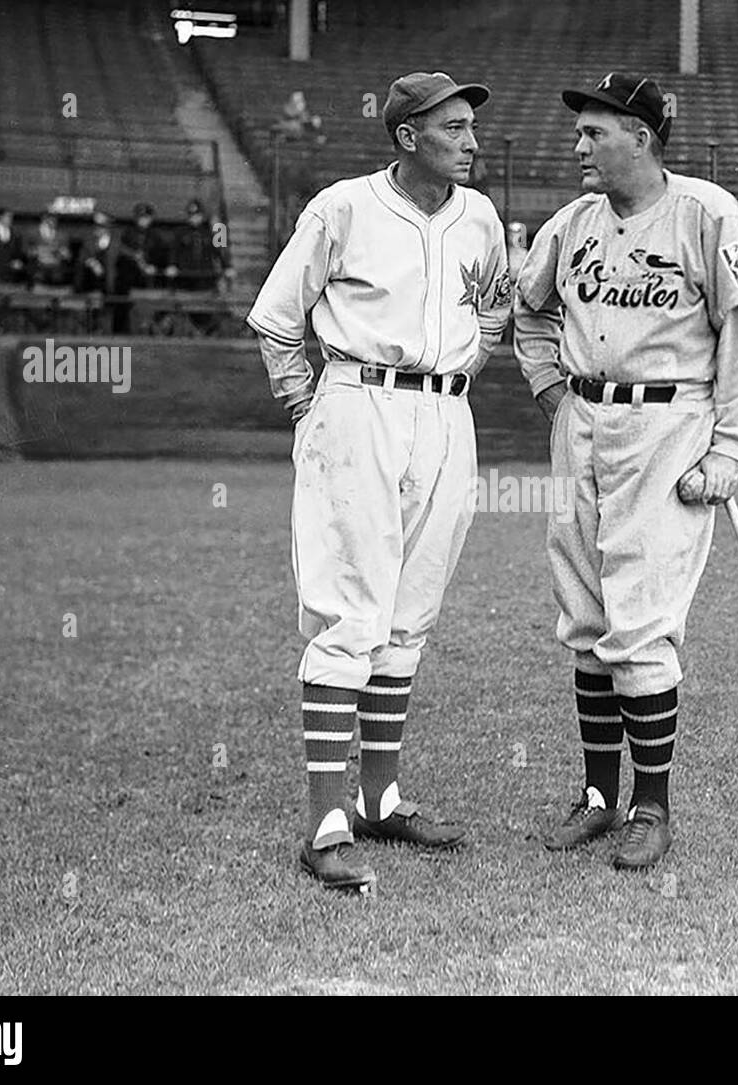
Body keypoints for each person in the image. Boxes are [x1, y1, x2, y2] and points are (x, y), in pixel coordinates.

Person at [245, 71, 510, 891]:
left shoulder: (481, 216)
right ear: (407, 137)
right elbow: (276, 318)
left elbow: (493, 309)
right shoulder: (343, 208)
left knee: (408, 615)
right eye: (454, 128)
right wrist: (310, 406)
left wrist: (470, 360)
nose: (471, 142)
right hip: (359, 402)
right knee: (350, 612)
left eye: (471, 127)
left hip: (445, 412)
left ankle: (378, 797)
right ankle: (325, 824)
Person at [513, 72, 738, 871]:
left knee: (643, 621)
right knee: (586, 617)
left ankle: (651, 806)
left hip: (668, 424)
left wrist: (728, 448)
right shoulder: (572, 222)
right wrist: (551, 388)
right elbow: (529, 308)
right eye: (579, 132)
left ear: (642, 138)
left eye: (595, 132)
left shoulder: (705, 212)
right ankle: (598, 798)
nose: (579, 145)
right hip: (583, 416)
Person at [171, 200, 230, 291]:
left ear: (202, 216)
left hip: (205, 275)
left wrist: (226, 267)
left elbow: (218, 251)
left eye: (197, 215)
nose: (194, 218)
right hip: (186, 275)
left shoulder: (210, 232)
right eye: (191, 215)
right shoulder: (181, 233)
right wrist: (172, 265)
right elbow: (174, 251)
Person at [118, 202, 170, 290]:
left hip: (151, 277)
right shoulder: (128, 233)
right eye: (141, 217)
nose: (143, 220)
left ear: (151, 218)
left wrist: (154, 267)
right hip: (131, 275)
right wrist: (134, 256)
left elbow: (162, 255)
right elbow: (121, 250)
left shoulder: (156, 236)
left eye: (146, 217)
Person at [29, 213, 71, 287]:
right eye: (47, 221)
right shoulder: (35, 235)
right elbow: (29, 252)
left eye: (53, 220)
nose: (51, 223)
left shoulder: (63, 236)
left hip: (56, 265)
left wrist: (61, 253)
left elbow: (67, 255)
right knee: (38, 276)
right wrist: (36, 252)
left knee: (57, 277)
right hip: (40, 265)